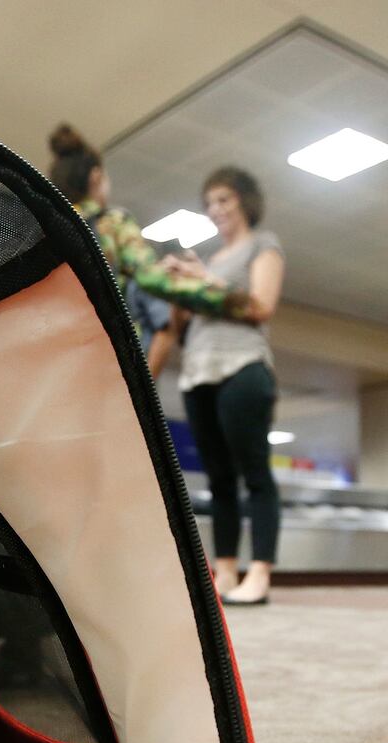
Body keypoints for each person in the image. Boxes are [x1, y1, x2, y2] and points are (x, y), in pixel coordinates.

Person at [165, 167, 285, 606]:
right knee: (218, 480)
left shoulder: (262, 245)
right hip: (199, 372)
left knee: (254, 473)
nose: (215, 210)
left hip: (243, 367)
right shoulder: (210, 261)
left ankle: (260, 573)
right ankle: (227, 569)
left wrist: (203, 282)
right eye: (210, 202)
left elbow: (260, 306)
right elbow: (182, 329)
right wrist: (180, 287)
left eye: (224, 200)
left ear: (245, 202)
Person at [47, 124, 258, 341]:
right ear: (96, 177)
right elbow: (150, 277)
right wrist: (233, 300)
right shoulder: (110, 223)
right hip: (95, 343)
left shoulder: (44, 231)